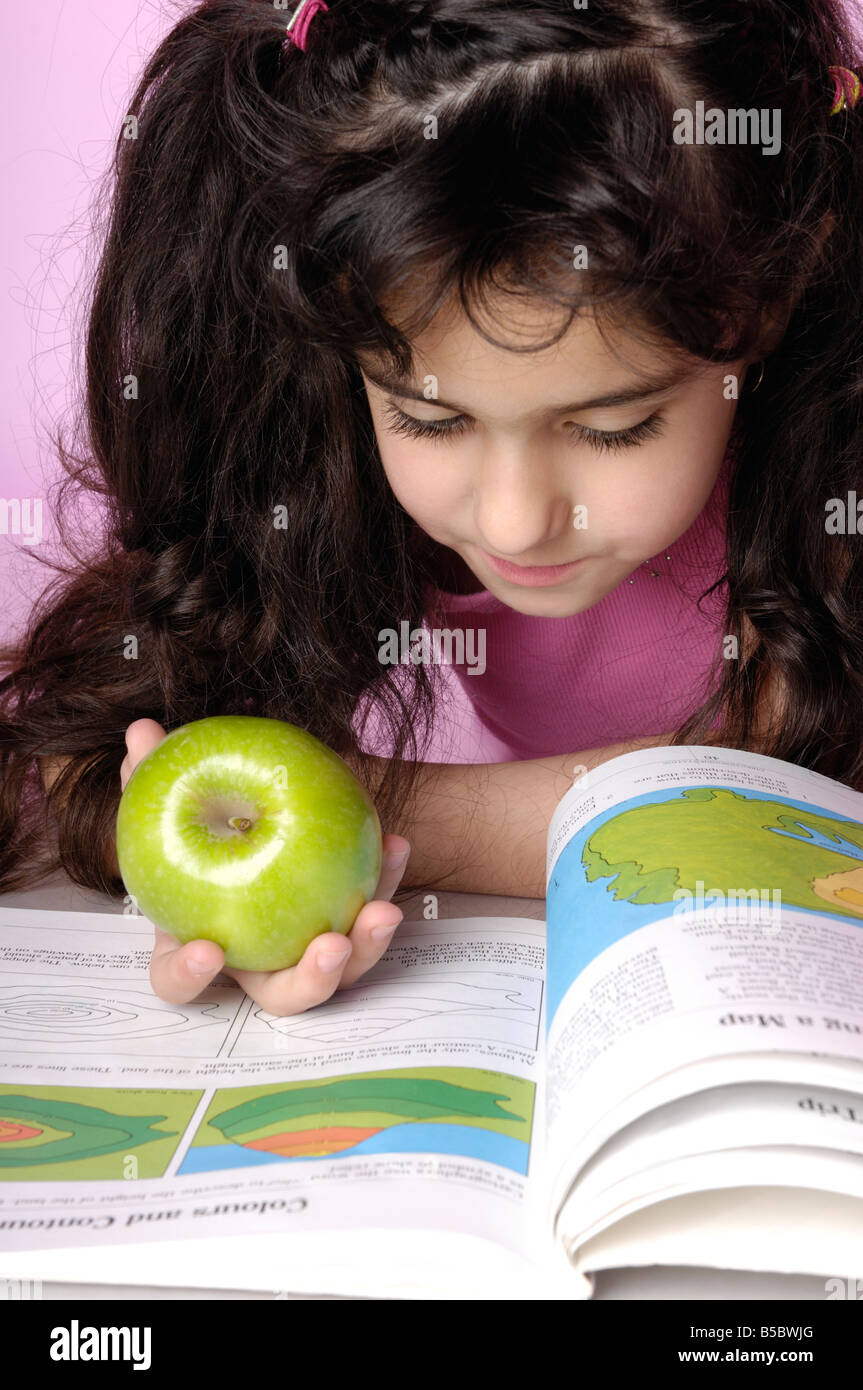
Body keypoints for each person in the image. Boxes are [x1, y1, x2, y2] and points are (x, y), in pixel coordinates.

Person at [1, 0, 861, 1019]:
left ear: (777, 285)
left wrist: (374, 825)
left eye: (611, 427)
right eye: (427, 417)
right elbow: (89, 738)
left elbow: (796, 795)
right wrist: (237, 874)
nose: (511, 521)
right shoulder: (304, 422)